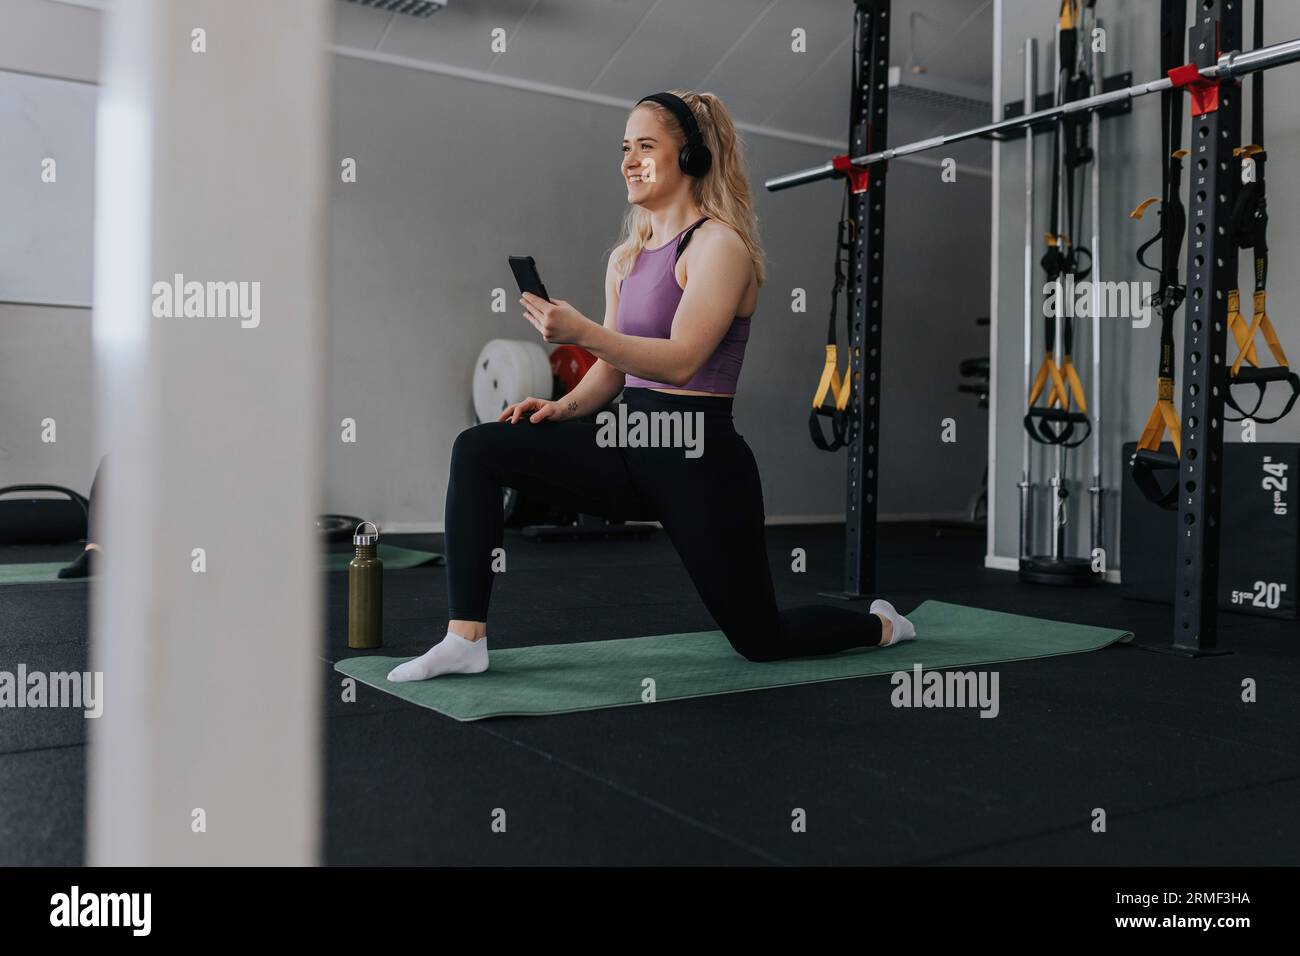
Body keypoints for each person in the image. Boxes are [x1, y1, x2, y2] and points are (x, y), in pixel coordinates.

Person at [388, 90, 915, 682]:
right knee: (480, 449)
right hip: (626, 438)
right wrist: (561, 406)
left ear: (690, 157)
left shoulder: (721, 247)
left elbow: (682, 361)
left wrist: (582, 331)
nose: (628, 161)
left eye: (646, 146)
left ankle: (882, 625)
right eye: (624, 148)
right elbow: (614, 372)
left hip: (698, 456)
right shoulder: (626, 258)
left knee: (761, 640)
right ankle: (465, 640)